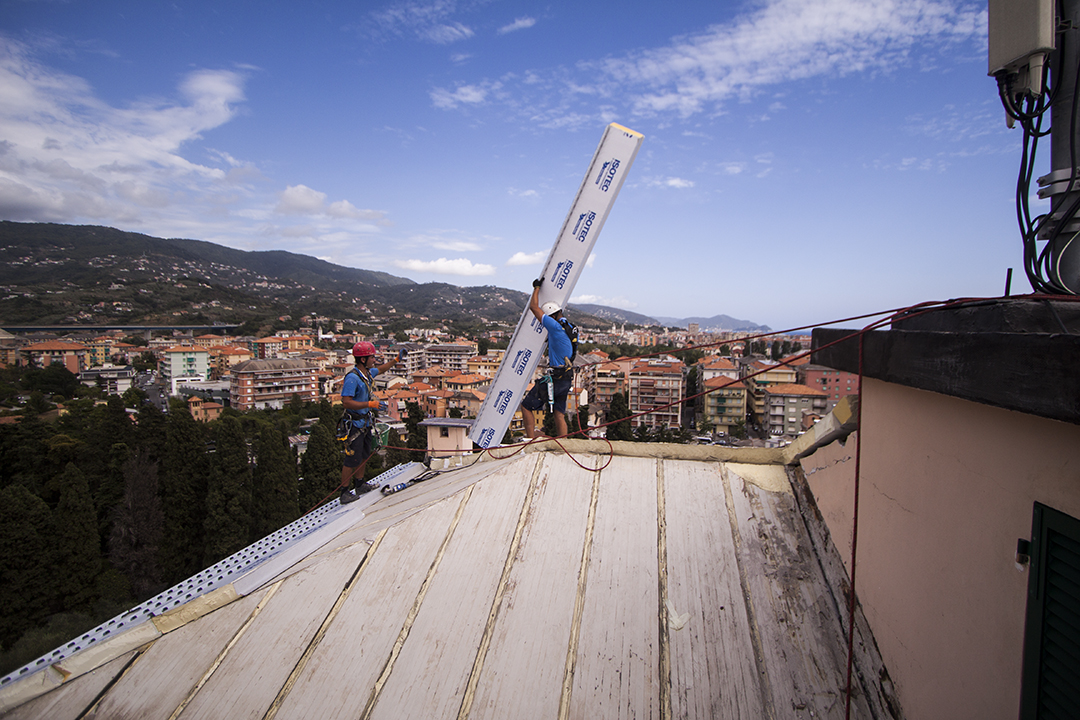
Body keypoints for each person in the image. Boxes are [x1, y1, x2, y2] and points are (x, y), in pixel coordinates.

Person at [339, 341, 399, 503]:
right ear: (363, 359)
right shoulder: (353, 378)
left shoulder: (367, 374)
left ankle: (359, 484)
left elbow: (381, 369)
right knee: (351, 458)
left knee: (364, 455)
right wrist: (369, 404)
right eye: (372, 357)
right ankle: (344, 492)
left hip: (364, 422)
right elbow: (346, 402)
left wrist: (395, 360)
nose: (374, 359)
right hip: (354, 424)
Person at [520, 277, 576, 439]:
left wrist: (537, 288)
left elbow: (533, 307)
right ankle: (563, 442)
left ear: (551, 316)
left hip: (556, 378)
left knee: (526, 406)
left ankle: (530, 439)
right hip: (566, 378)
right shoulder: (570, 328)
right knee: (559, 413)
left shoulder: (555, 326)